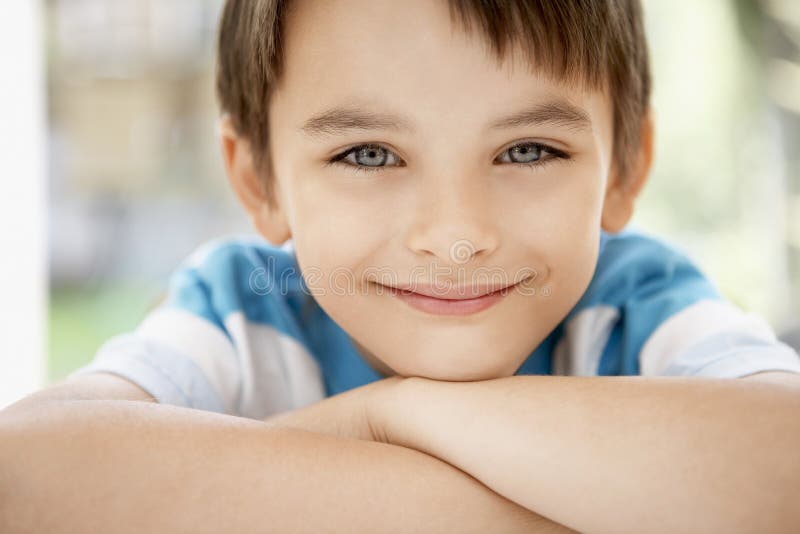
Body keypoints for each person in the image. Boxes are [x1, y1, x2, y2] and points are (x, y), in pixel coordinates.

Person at [3, 1, 800, 532]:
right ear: (259, 181)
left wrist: (396, 416)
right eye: (369, 153)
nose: (455, 235)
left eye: (527, 150)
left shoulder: (632, 301)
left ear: (624, 168)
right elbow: (27, 469)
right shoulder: (250, 303)